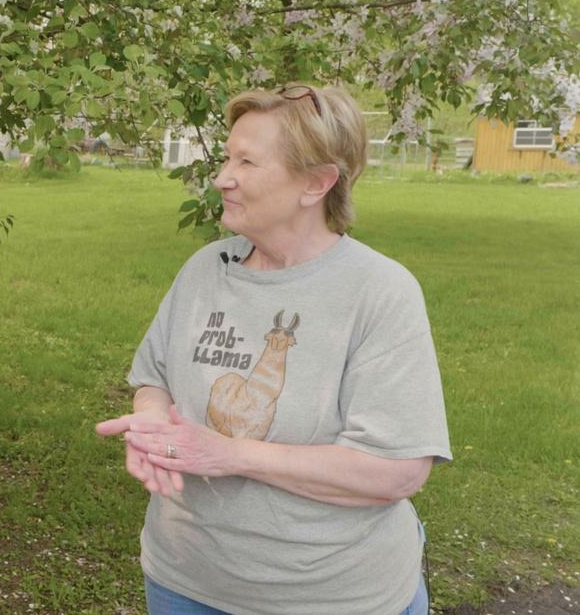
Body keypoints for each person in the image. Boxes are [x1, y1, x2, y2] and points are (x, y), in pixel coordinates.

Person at [96, 84, 451, 615]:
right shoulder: (205, 270)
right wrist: (153, 429)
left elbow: (396, 471)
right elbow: (155, 378)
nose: (222, 178)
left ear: (317, 182)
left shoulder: (379, 291)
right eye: (226, 155)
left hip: (332, 598)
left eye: (247, 162)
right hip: (184, 583)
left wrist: (231, 454)